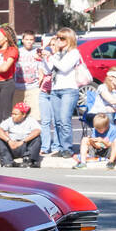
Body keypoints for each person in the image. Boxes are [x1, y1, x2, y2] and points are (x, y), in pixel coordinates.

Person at [42, 27, 84, 158]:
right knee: (58, 121)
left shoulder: (74, 53)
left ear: (69, 39)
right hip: (55, 89)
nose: (58, 40)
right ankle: (60, 147)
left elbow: (64, 68)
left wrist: (50, 56)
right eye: (57, 38)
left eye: (62, 38)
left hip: (69, 90)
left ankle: (67, 148)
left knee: (65, 120)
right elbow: (48, 70)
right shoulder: (57, 54)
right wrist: (45, 57)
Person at [0, 24, 20, 128]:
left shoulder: (12, 50)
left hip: (7, 83)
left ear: (6, 38)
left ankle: (7, 140)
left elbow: (5, 68)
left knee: (6, 115)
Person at [0, 101, 42, 168]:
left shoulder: (30, 121)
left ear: (23, 115)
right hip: (12, 145)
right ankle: (7, 161)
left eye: (16, 114)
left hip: (24, 146)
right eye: (12, 114)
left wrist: (23, 141)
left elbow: (37, 131)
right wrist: (8, 141)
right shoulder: (9, 120)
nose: (13, 116)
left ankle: (29, 160)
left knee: (37, 138)